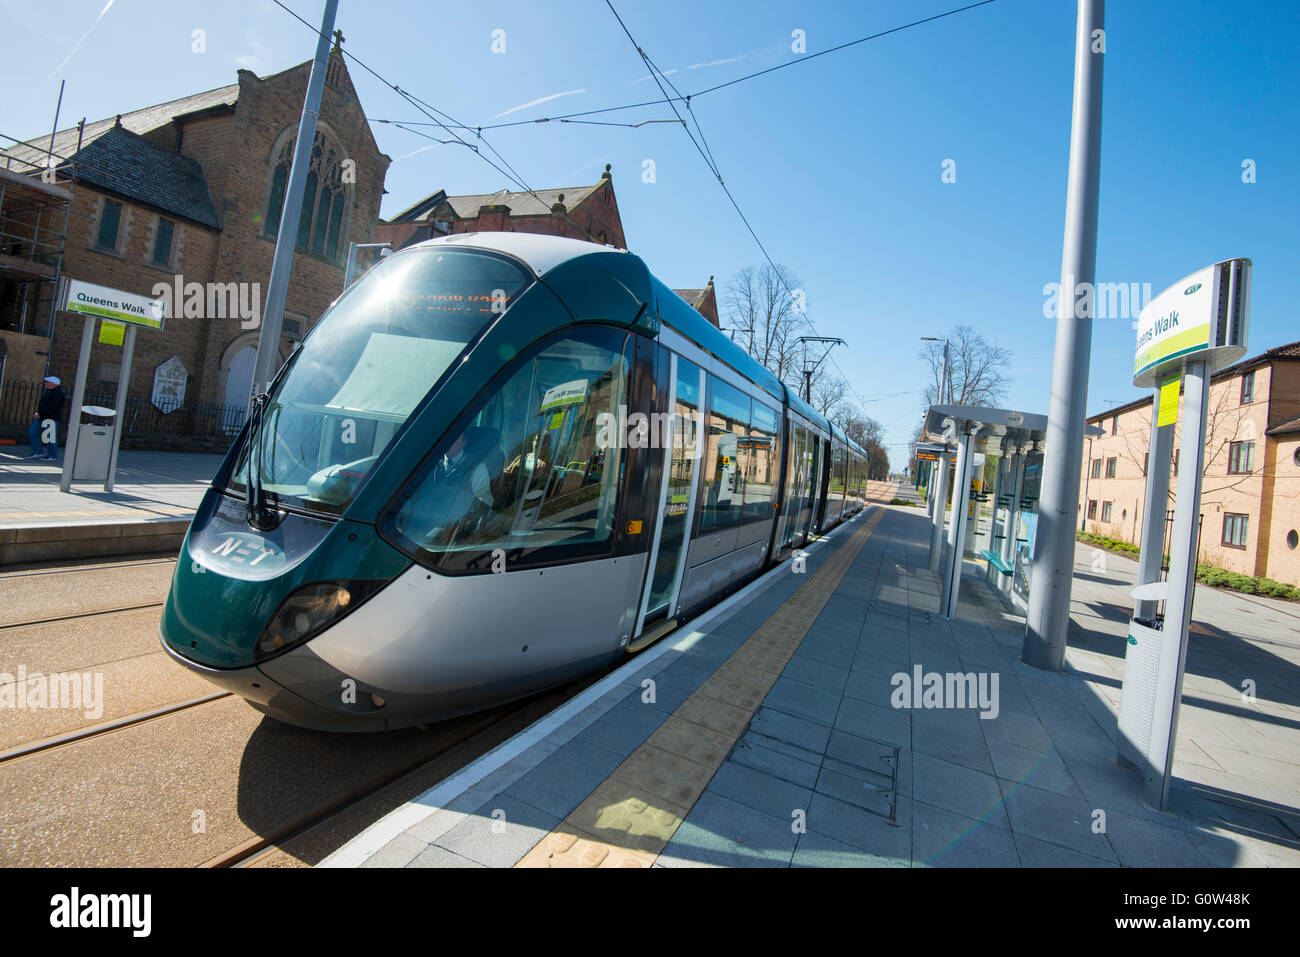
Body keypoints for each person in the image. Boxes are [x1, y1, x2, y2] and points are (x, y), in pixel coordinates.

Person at [27, 375, 65, 461]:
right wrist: (39, 413)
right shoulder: (49, 392)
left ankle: (52, 455)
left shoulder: (58, 394)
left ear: (54, 384)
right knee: (32, 432)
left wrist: (40, 414)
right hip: (42, 417)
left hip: (51, 418)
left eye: (48, 382)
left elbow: (52, 407)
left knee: (50, 437)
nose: (46, 383)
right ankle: (38, 452)